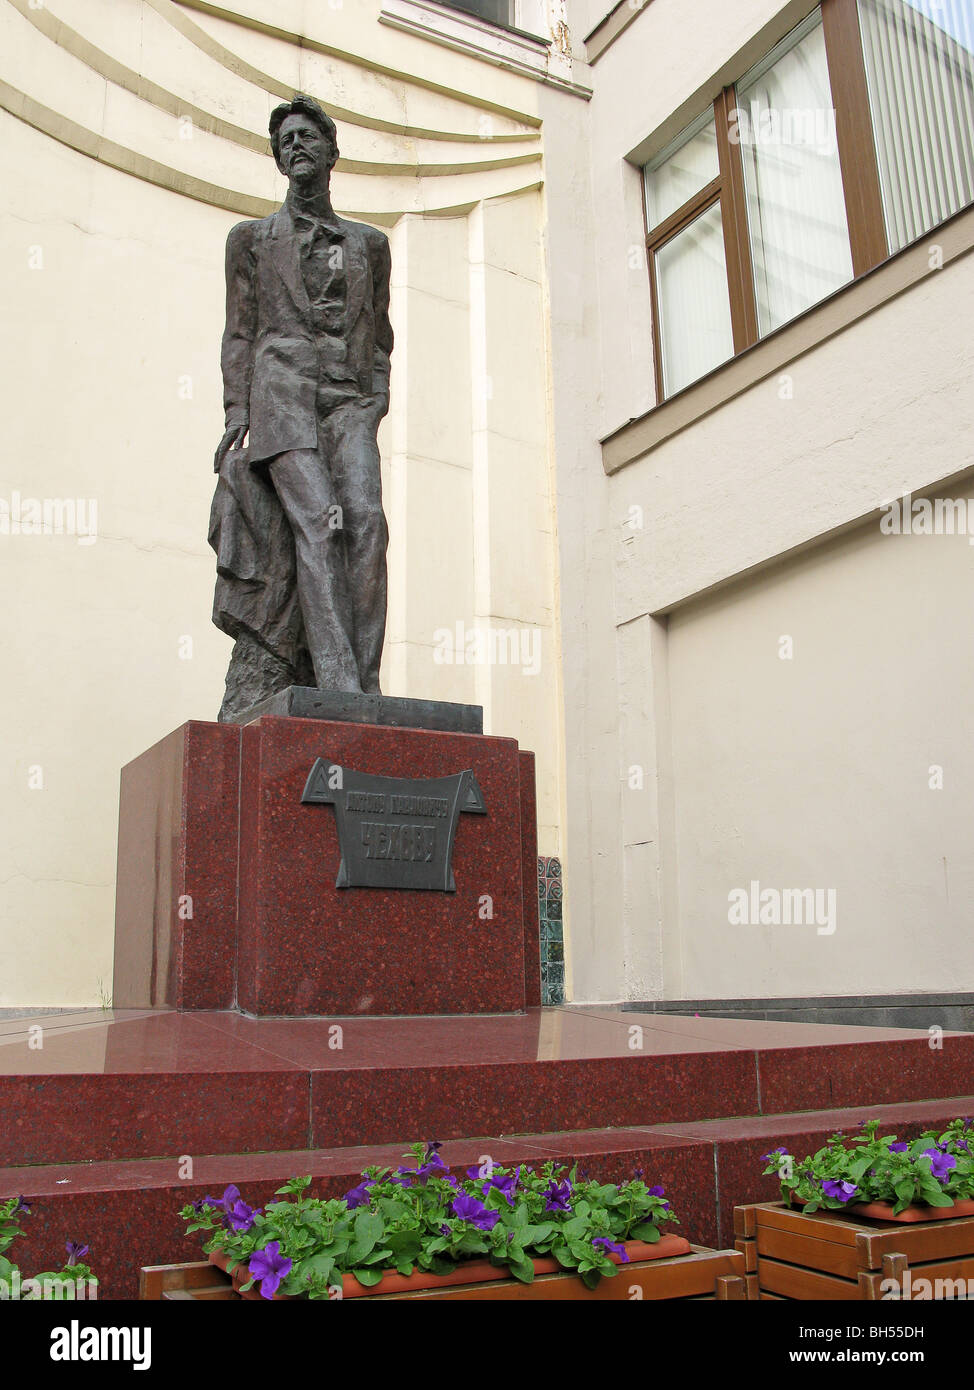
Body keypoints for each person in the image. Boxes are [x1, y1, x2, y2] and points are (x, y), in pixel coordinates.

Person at [209, 93, 393, 720]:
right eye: (285, 139)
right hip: (282, 401)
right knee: (323, 522)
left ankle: (365, 686)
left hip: (349, 405)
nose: (296, 145)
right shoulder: (251, 240)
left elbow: (383, 338)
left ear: (332, 152)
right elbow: (239, 333)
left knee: (367, 521)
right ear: (278, 157)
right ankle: (339, 686)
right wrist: (238, 414)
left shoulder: (370, 244)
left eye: (308, 136)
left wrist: (375, 401)